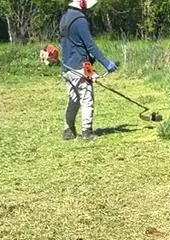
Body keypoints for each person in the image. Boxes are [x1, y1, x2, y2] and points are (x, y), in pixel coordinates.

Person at [59, 0, 117, 141]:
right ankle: (87, 132)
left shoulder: (64, 17)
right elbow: (90, 45)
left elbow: (72, 43)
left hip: (67, 66)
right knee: (86, 99)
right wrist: (107, 63)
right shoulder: (80, 20)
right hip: (80, 66)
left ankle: (68, 131)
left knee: (74, 99)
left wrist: (91, 59)